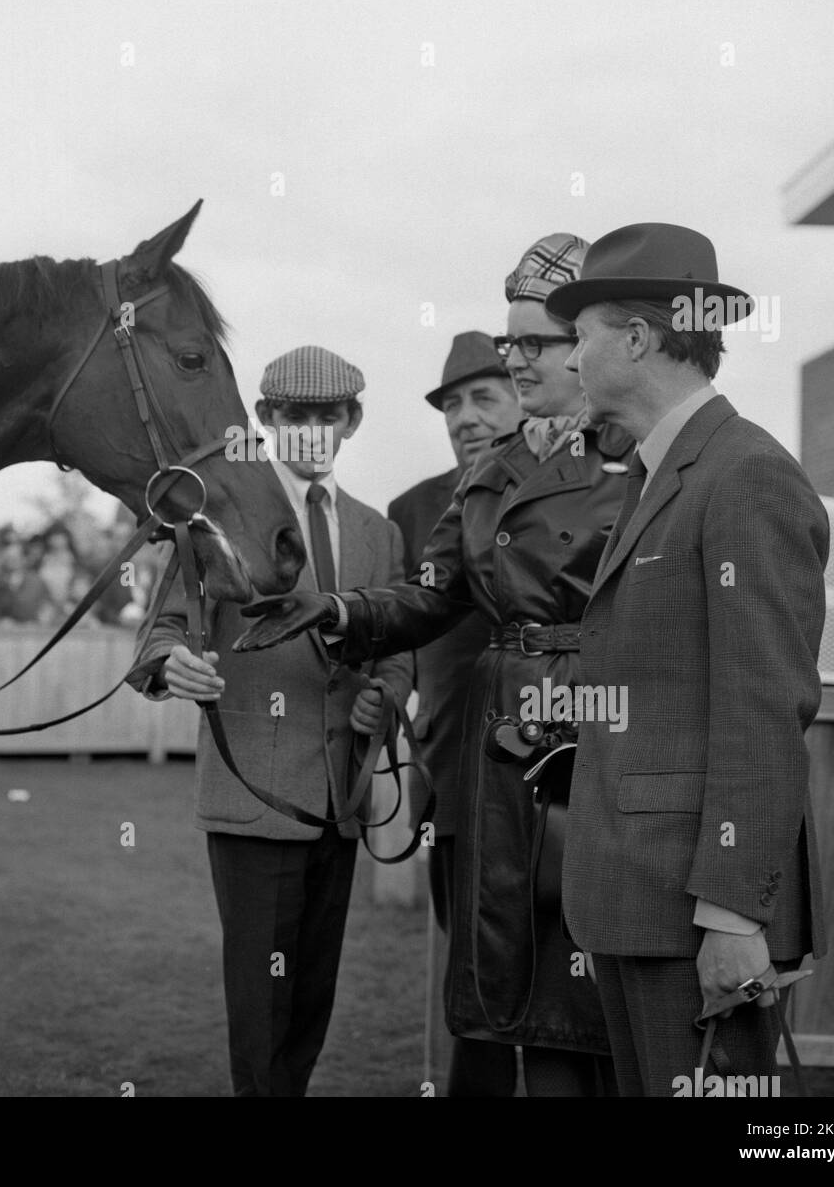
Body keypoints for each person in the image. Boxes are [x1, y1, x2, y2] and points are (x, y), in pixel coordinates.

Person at [235, 236, 630, 1096]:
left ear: (591, 343)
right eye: (510, 340)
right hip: (498, 754)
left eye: (532, 345)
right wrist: (340, 611)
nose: (515, 357)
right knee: (516, 994)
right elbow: (431, 593)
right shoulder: (492, 473)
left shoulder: (639, 456)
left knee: (604, 988)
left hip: (603, 745)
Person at [543, 222, 828, 1097]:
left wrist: (735, 918)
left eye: (580, 337)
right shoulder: (664, 475)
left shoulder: (743, 476)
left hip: (694, 917)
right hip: (636, 903)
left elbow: (763, 709)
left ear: (635, 339)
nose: (570, 360)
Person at [127, 346, 412, 1097]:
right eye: (294, 416)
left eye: (327, 416)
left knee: (312, 1000)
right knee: (260, 1008)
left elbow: (396, 645)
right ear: (264, 420)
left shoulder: (379, 532)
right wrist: (172, 665)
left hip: (339, 802)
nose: (311, 432)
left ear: (351, 421)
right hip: (252, 796)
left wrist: (387, 696)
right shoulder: (218, 518)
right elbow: (157, 636)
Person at [387, 331, 521, 1096]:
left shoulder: (572, 486)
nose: (465, 416)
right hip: (454, 779)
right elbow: (402, 628)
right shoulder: (413, 509)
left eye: (484, 396)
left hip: (556, 776)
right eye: (452, 404)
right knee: (474, 977)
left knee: (572, 978)